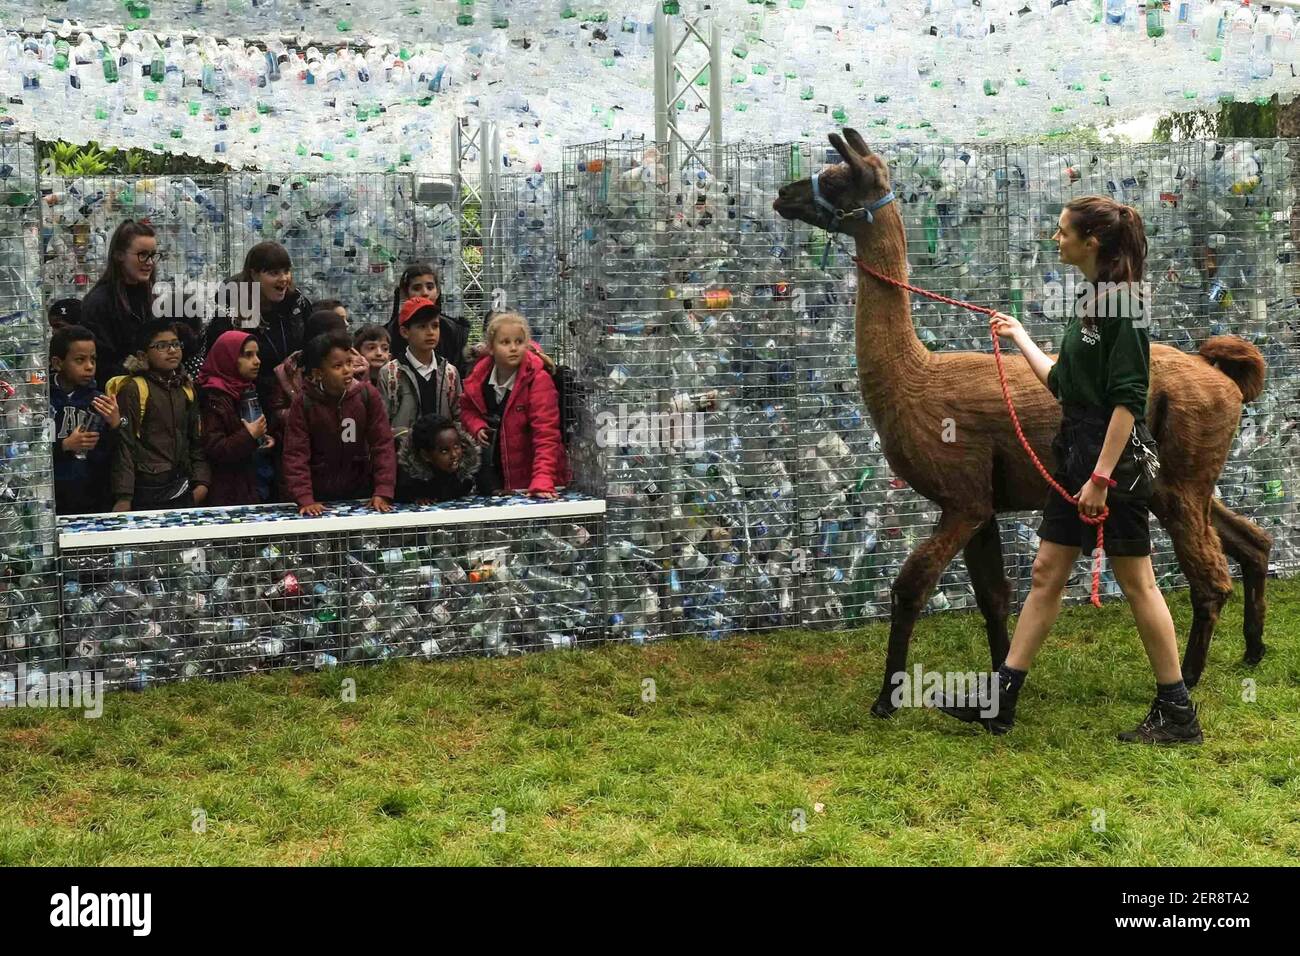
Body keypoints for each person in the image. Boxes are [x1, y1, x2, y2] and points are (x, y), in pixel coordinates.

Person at [939, 196, 1199, 744]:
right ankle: (999, 702)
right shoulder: (1093, 301)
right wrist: (1019, 338)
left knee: (1138, 582)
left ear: (1092, 242)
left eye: (1062, 232)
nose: (1055, 239)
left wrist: (1101, 480)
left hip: (1112, 461)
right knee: (1046, 575)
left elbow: (1129, 401)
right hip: (1078, 452)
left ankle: (1178, 713)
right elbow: (1063, 383)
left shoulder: (1123, 308)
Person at [281, 332, 396, 516]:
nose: (347, 370)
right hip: (318, 496)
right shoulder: (304, 403)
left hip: (361, 493)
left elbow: (382, 444)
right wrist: (305, 498)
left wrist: (383, 490)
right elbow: (296, 454)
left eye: (349, 363)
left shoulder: (367, 395)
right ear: (318, 373)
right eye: (337, 366)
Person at [460, 311, 568, 499]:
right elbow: (466, 408)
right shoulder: (478, 377)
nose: (513, 348)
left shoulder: (538, 380)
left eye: (519, 342)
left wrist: (542, 480)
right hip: (494, 484)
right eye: (505, 342)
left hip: (533, 483)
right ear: (491, 348)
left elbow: (547, 435)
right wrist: (477, 426)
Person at [203, 240, 312, 425]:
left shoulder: (297, 304)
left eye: (286, 271)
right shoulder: (231, 313)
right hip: (249, 404)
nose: (284, 278)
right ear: (253, 274)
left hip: (293, 400)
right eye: (273, 273)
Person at [110, 320, 210, 512]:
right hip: (146, 489)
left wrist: (202, 483)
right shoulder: (134, 389)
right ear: (142, 355)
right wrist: (124, 496)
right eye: (162, 346)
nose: (172, 350)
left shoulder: (186, 388)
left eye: (175, 344)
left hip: (183, 486)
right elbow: (125, 445)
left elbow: (196, 441)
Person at [50, 325, 123, 515]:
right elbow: (28, 452)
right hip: (50, 498)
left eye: (93, 359)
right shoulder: (40, 399)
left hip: (91, 498)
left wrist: (115, 425)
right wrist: (64, 445)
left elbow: (111, 455)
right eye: (80, 360)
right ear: (58, 363)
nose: (89, 366)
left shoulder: (100, 401)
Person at [80, 219, 160, 389]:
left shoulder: (150, 297)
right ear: (119, 255)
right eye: (142, 254)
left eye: (153, 255)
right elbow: (99, 363)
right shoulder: (99, 302)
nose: (150, 262)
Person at [197, 331, 273, 507]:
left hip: (248, 484)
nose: (257, 361)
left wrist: (262, 438)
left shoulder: (246, 389)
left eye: (257, 354)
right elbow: (215, 448)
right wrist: (249, 435)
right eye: (248, 355)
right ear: (228, 358)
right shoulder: (213, 397)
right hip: (224, 492)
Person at [378, 296, 462, 453]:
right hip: (404, 457)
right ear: (404, 331)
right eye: (422, 326)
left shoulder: (450, 373)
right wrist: (405, 436)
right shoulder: (390, 374)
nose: (430, 332)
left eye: (435, 326)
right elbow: (382, 424)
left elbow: (459, 417)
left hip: (442, 459)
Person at [387, 263, 471, 377]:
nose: (425, 293)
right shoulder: (392, 333)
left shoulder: (454, 331)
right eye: (417, 288)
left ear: (437, 292)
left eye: (430, 287)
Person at [396, 414, 477, 505]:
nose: (454, 454)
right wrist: (416, 498)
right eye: (444, 451)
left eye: (456, 446)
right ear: (426, 455)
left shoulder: (469, 471)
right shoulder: (407, 481)